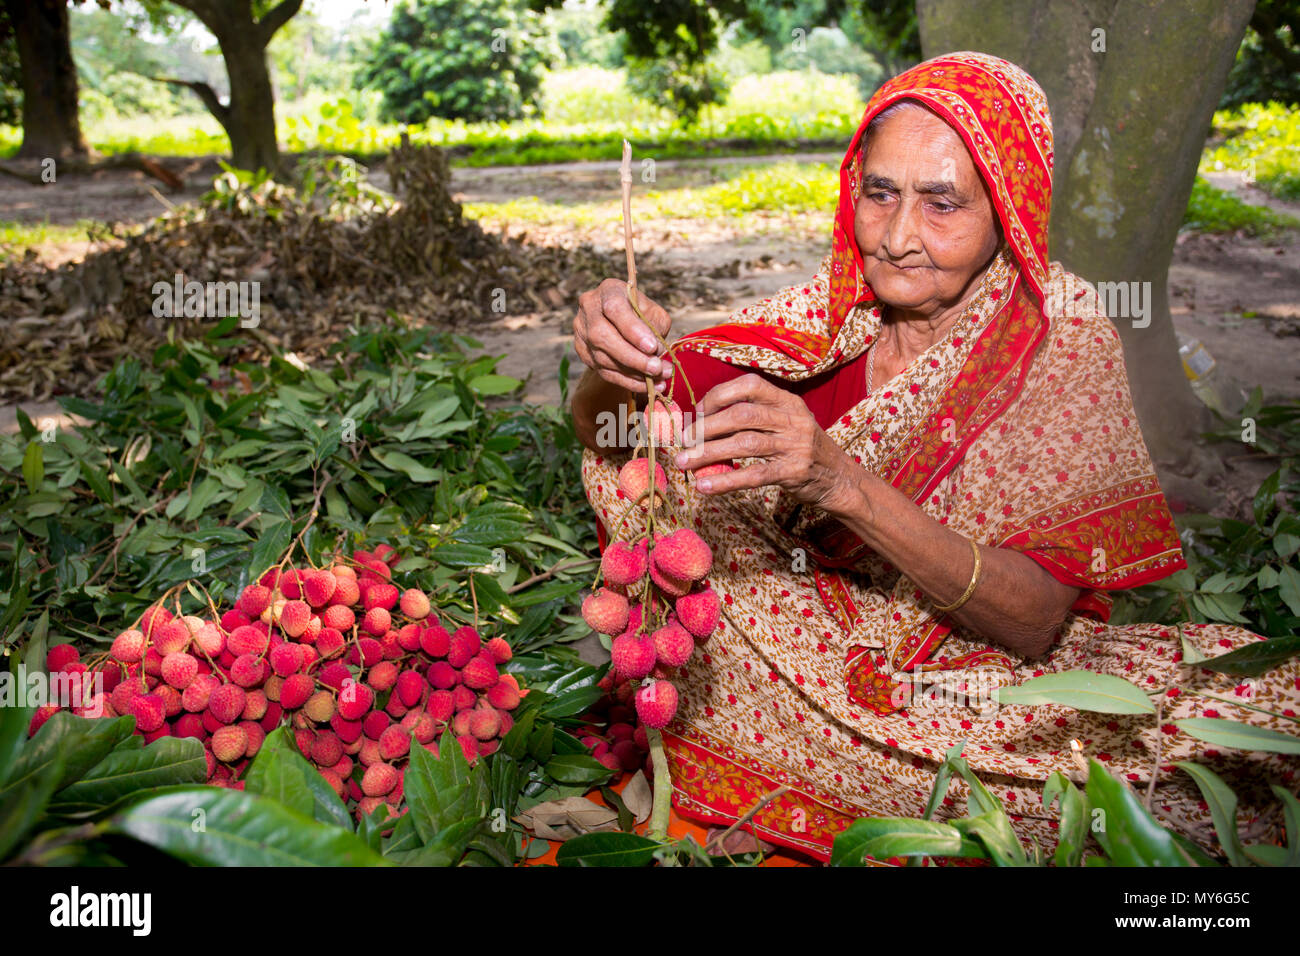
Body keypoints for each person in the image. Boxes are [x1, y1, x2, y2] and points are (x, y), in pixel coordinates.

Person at [570, 52, 1300, 862]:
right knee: (655, 489)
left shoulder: (1057, 339)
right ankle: (771, 737)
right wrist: (609, 359)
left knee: (1190, 782)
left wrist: (842, 483)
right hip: (809, 652)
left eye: (943, 203)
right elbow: (615, 431)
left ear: (1010, 212)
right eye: (880, 193)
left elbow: (1037, 622)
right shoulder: (824, 323)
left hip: (979, 670)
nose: (897, 238)